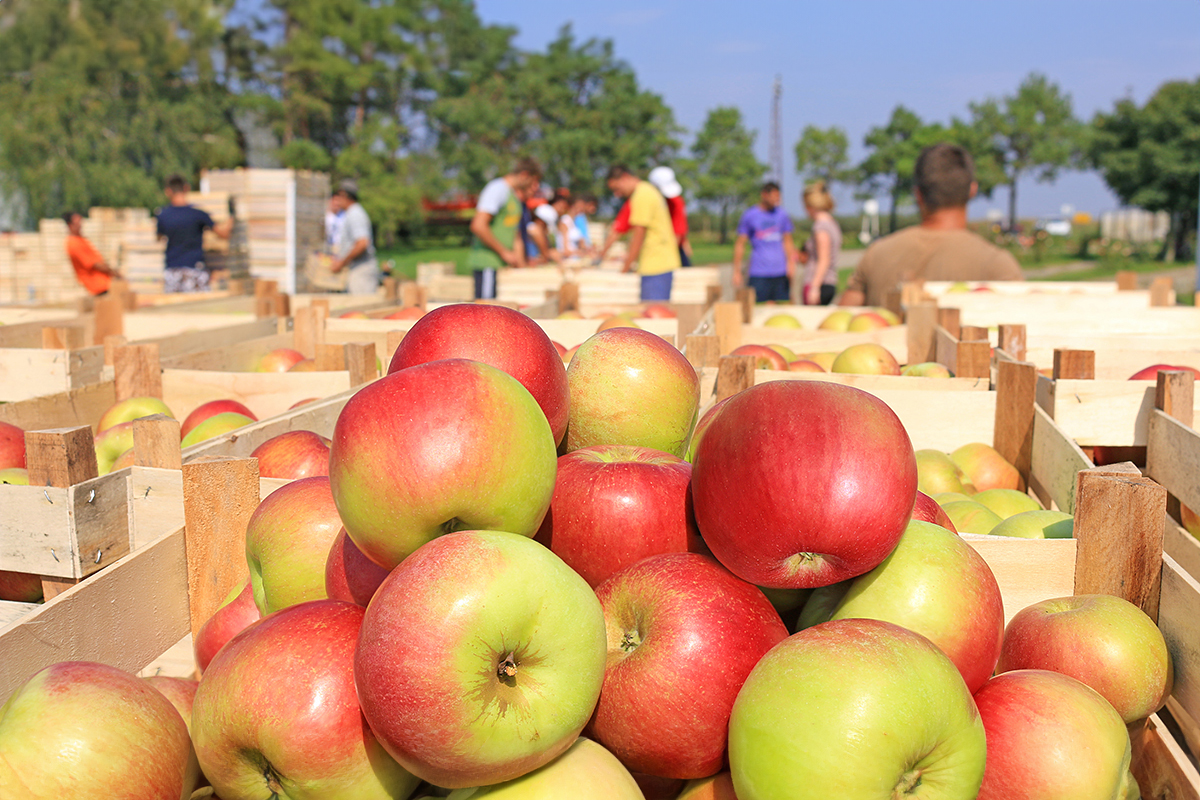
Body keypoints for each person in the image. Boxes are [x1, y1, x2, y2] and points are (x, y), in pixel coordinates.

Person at [841, 143, 1023, 307]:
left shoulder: (876, 255)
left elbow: (840, 321)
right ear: (972, 190)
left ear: (918, 194)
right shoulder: (997, 265)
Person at [468, 158, 542, 297]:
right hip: (488, 264)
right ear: (524, 175)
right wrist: (504, 252)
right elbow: (478, 225)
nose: (535, 186)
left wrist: (521, 266)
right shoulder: (497, 189)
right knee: (487, 312)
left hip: (501, 267)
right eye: (533, 181)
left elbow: (515, 235)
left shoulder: (513, 196)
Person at [605, 165, 681, 301]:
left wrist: (625, 268)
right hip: (658, 264)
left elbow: (639, 234)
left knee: (653, 315)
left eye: (617, 188)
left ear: (625, 178)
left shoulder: (642, 195)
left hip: (656, 266)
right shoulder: (646, 191)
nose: (617, 194)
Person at [156, 174, 233, 293]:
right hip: (195, 271)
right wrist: (232, 219)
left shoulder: (163, 216)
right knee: (199, 309)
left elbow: (159, 237)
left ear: (168, 191)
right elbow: (223, 235)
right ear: (187, 188)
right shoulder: (198, 215)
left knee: (173, 310)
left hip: (172, 272)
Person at [732, 181, 796, 303]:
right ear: (764, 195)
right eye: (774, 196)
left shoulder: (782, 215)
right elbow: (740, 244)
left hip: (780, 272)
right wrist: (737, 271)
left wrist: (791, 264)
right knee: (757, 309)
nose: (777, 200)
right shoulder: (750, 215)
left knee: (782, 307)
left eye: (778, 196)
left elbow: (788, 241)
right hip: (758, 272)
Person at [328, 180, 379, 295]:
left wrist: (342, 262)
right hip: (357, 269)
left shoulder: (355, 214)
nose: (337, 200)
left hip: (361, 270)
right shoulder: (352, 213)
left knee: (362, 308)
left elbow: (362, 243)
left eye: (338, 195)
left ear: (345, 196)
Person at [801, 181, 842, 305]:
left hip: (820, 282)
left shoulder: (820, 227)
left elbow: (824, 260)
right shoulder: (832, 223)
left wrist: (815, 287)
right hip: (829, 281)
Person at [63, 212, 120, 296]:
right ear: (70, 225)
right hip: (98, 286)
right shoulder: (73, 244)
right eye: (77, 223)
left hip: (104, 283)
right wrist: (115, 273)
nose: (81, 225)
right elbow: (95, 264)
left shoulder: (80, 240)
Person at [648, 166, 692, 266]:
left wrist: (666, 258)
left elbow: (678, 232)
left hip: (673, 251)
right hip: (653, 252)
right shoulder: (648, 201)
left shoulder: (676, 201)